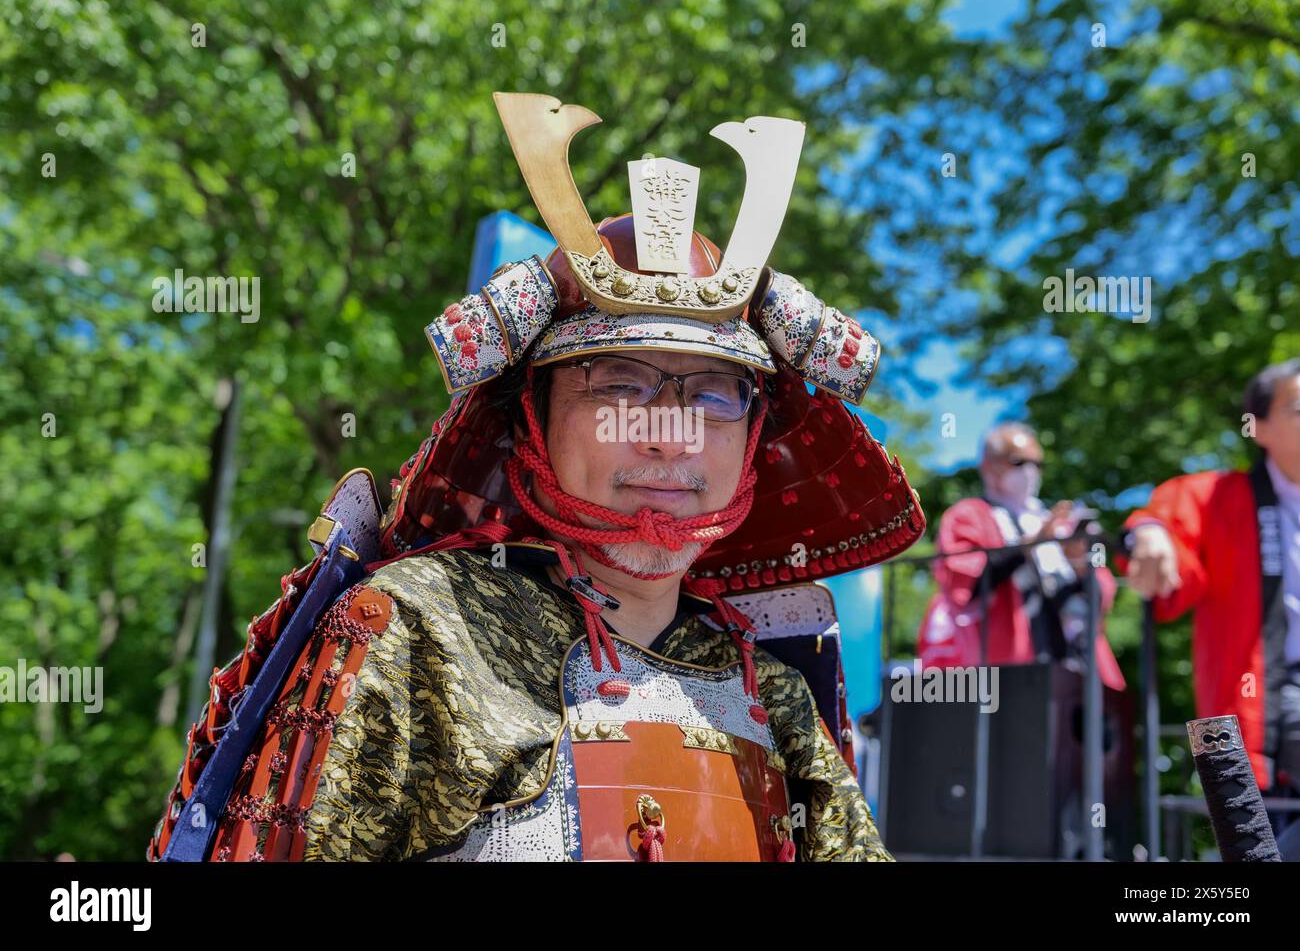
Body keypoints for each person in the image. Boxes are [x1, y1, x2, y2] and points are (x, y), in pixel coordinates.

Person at [146, 91, 925, 862]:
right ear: (530, 421)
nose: (667, 435)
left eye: (713, 393)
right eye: (619, 383)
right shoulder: (414, 632)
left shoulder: (779, 699)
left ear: (755, 438)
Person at [1123, 358, 1300, 853]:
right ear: (1259, 427)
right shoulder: (1218, 495)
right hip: (1250, 702)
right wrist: (1149, 535)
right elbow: (1157, 523)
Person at [917, 423, 1126, 690]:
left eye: (1038, 464)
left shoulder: (1057, 523)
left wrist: (1080, 562)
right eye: (1019, 462)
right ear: (988, 465)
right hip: (1005, 671)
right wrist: (1030, 546)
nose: (1031, 472)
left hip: (1074, 668)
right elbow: (964, 587)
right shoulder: (969, 516)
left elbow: (1098, 601)